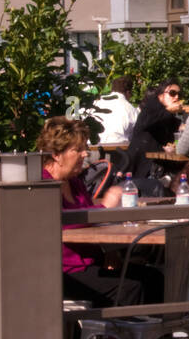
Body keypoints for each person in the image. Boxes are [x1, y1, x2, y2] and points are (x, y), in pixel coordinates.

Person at [37, 116, 145, 310]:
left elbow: (91, 221)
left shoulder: (74, 182)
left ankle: (160, 338)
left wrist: (109, 252)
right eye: (77, 150)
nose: (85, 154)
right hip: (62, 271)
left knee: (154, 277)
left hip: (89, 262)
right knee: (132, 287)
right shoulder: (41, 184)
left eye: (84, 148)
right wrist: (105, 207)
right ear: (56, 154)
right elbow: (64, 222)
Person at [125, 80, 184, 194]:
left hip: (156, 162)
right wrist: (168, 110)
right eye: (172, 93)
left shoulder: (164, 112)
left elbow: (178, 126)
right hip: (143, 165)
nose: (176, 97)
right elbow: (147, 123)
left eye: (179, 95)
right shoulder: (152, 106)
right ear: (161, 94)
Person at [91, 76, 139, 144]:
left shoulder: (96, 102)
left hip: (93, 147)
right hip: (119, 149)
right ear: (128, 92)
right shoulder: (131, 110)